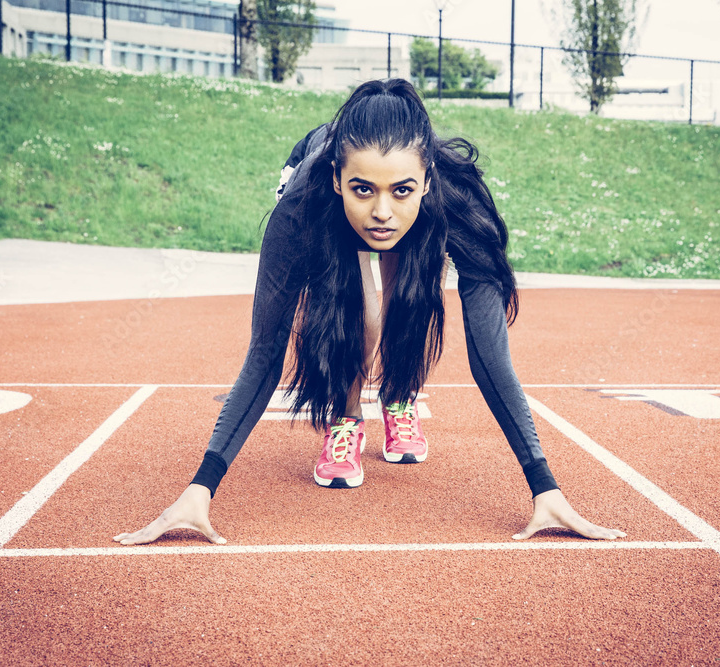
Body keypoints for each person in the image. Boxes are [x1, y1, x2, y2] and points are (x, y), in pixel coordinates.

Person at [114, 79, 625, 545]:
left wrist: (545, 488)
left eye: (401, 190)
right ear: (339, 179)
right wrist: (200, 487)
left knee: (406, 290)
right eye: (364, 189)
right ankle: (347, 415)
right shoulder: (301, 207)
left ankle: (400, 396)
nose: (382, 211)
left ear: (427, 181)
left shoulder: (461, 206)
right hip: (324, 214)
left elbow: (491, 359)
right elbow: (265, 352)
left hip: (422, 221)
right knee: (354, 302)